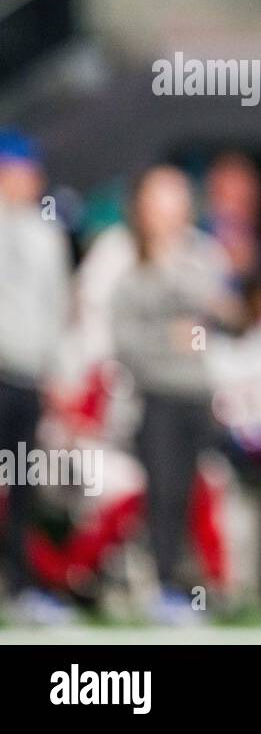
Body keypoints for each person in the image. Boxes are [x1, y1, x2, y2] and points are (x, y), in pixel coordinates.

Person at [110, 166, 236, 624]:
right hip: (153, 394)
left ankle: (197, 583)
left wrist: (218, 315)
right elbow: (120, 338)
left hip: (199, 394)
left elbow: (225, 316)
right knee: (162, 490)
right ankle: (159, 584)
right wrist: (170, 339)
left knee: (199, 494)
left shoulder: (203, 253)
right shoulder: (120, 254)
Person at [0, 130, 73, 624]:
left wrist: (57, 372)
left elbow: (57, 307)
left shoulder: (47, 235)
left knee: (23, 485)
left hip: (28, 377)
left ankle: (20, 585)